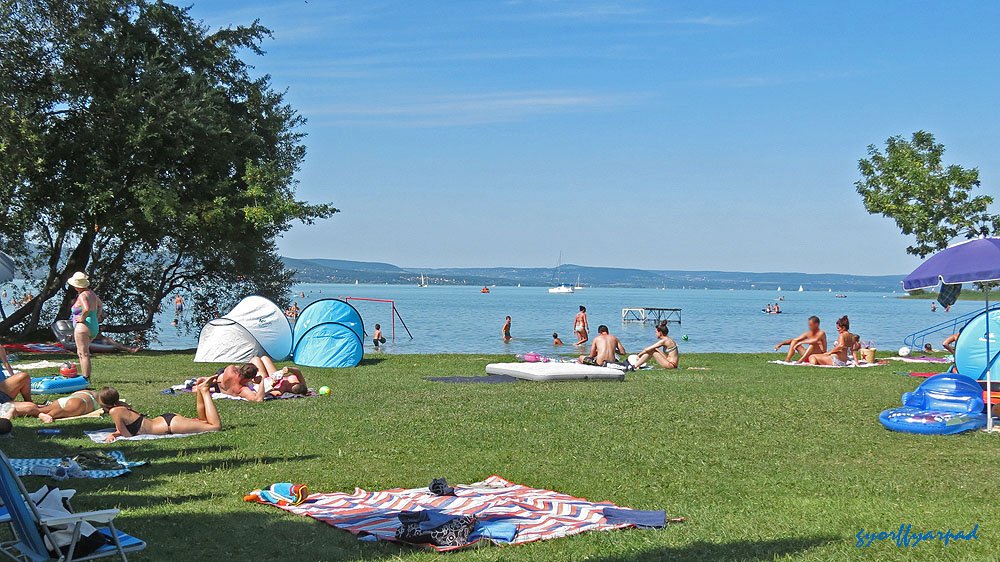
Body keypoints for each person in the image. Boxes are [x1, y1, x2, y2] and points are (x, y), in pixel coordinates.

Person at [100, 381, 221, 442]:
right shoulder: (121, 406)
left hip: (169, 425)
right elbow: (121, 430)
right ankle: (200, 390)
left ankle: (204, 391)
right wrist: (114, 434)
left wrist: (114, 435)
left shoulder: (114, 411)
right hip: (165, 421)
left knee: (215, 427)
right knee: (204, 422)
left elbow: (127, 434)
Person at [67, 272, 103, 380]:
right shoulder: (92, 293)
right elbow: (100, 305)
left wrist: (81, 319)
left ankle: (86, 378)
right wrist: (97, 316)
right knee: (81, 353)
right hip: (93, 325)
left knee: (84, 354)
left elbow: (86, 309)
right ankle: (84, 376)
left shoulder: (82, 295)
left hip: (83, 327)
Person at [1, 389, 99, 423]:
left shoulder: (93, 393)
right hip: (80, 403)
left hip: (70, 398)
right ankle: (47, 415)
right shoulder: (101, 402)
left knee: (39, 409)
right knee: (63, 412)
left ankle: (16, 409)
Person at [198, 363, 264, 401]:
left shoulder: (230, 369)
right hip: (220, 389)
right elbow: (258, 399)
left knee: (219, 376)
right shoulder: (242, 389)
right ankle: (209, 381)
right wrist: (261, 381)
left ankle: (209, 380)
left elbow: (237, 367)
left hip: (220, 381)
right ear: (249, 379)